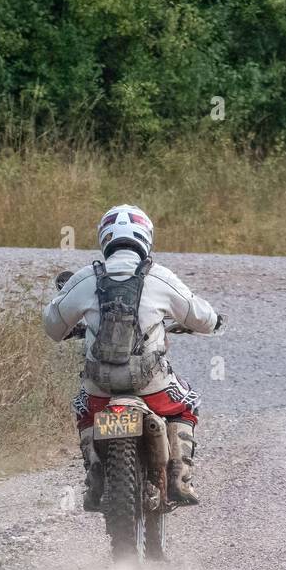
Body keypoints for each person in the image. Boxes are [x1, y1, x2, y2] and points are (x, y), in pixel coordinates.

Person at [44, 205, 221, 509]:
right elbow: (201, 317)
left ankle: (95, 473)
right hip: (151, 386)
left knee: (82, 408)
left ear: (105, 237)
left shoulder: (87, 278)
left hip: (100, 388)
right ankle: (180, 473)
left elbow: (52, 326)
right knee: (188, 401)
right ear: (146, 237)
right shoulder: (160, 276)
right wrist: (215, 321)